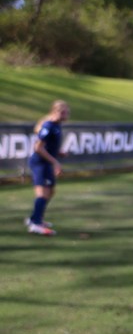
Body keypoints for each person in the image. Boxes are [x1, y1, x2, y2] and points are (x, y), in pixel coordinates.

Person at [25, 99, 70, 236]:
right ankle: (36, 224)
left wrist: (58, 153)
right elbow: (38, 148)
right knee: (42, 193)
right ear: (55, 111)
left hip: (46, 163)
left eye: (67, 112)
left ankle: (34, 218)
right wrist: (55, 161)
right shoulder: (48, 126)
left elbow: (49, 146)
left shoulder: (57, 125)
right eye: (63, 112)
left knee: (50, 192)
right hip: (40, 163)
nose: (66, 114)